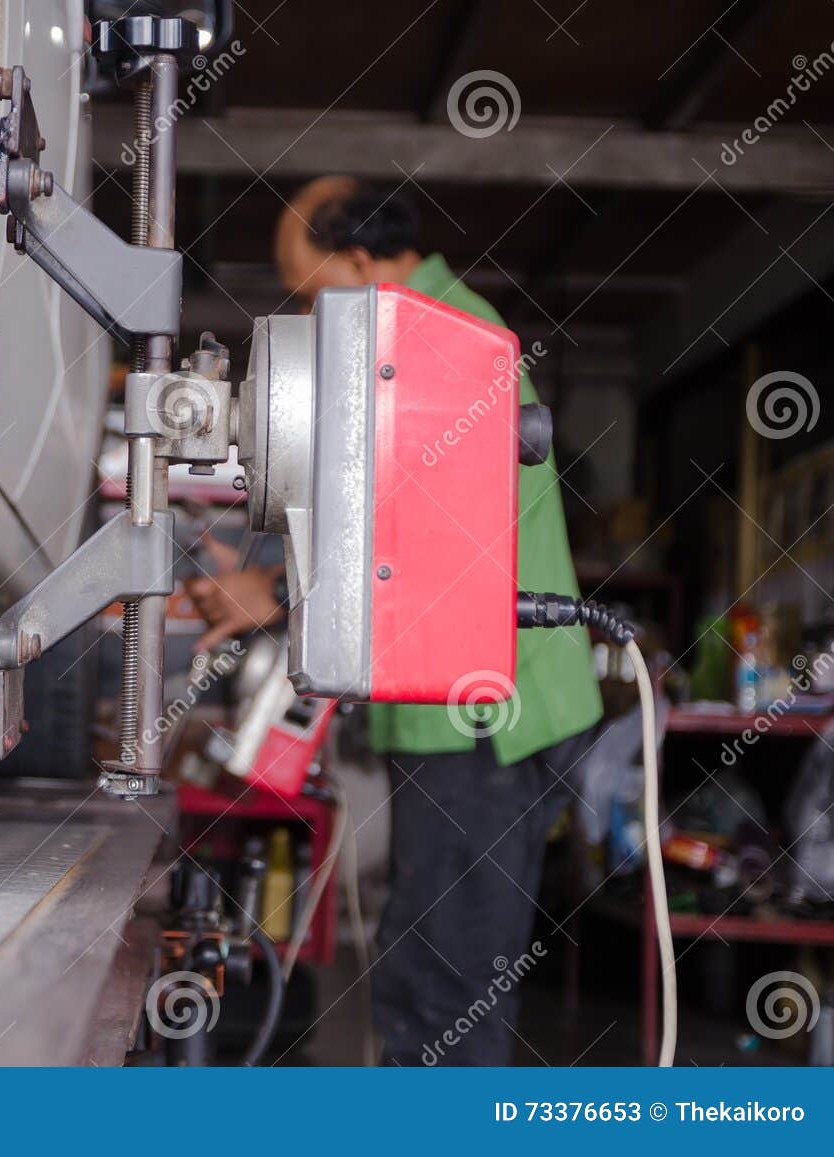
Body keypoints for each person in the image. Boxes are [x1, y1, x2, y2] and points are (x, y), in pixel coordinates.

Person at [186, 175, 603, 1065]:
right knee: (426, 963)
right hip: (468, 711)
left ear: (360, 263)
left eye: (311, 295)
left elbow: (413, 535)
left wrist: (274, 592)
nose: (310, 320)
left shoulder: (445, 341)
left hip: (489, 720)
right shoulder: (426, 334)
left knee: (444, 984)